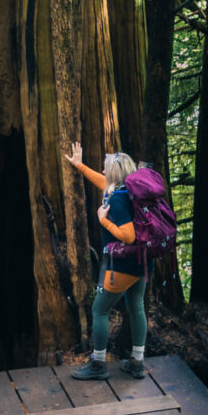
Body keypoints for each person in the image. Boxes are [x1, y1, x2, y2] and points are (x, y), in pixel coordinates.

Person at [64, 142, 148, 380]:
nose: (102, 172)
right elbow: (101, 183)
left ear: (114, 174)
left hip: (122, 264)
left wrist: (103, 220)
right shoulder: (127, 191)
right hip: (141, 262)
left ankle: (98, 364)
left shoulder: (119, 200)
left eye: (106, 170)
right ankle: (137, 362)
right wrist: (79, 166)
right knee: (136, 307)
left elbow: (129, 235)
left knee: (99, 309)